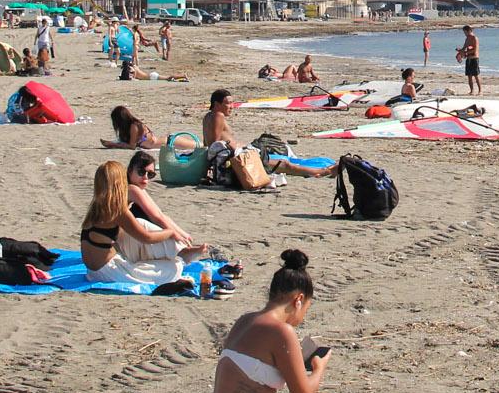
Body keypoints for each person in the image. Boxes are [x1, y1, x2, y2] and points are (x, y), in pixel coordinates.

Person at [208, 250, 429, 393]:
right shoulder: (281, 331)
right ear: (299, 300)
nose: (302, 316)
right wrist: (318, 368)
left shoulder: (245, 321)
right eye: (306, 308)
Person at [79, 161, 204, 290]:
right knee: (174, 268)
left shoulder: (96, 206)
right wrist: (170, 232)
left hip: (93, 271)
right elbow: (146, 238)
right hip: (108, 272)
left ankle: (182, 251)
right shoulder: (118, 211)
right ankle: (181, 252)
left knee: (140, 222)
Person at [205, 89, 332, 177]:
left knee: (281, 162)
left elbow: (208, 142)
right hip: (235, 158)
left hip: (231, 156)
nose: (232, 106)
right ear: (217, 104)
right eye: (228, 103)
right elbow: (215, 145)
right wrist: (235, 148)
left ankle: (319, 171)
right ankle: (321, 172)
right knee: (284, 165)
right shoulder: (218, 116)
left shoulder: (207, 117)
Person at [124, 150, 207, 262]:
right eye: (141, 172)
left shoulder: (137, 189)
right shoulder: (132, 189)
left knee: (151, 219)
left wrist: (182, 234)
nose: (145, 177)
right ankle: (182, 252)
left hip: (128, 237)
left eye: (150, 174)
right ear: (129, 172)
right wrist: (176, 236)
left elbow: (160, 214)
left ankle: (182, 250)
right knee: (144, 220)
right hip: (122, 239)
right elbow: (156, 217)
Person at [455, 25, 482, 97]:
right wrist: (460, 52)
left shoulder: (474, 38)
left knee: (476, 75)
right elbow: (464, 48)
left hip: (474, 58)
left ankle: (480, 91)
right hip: (468, 58)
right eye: (464, 32)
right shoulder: (467, 38)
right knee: (469, 76)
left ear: (469, 31)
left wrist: (465, 53)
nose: (465, 34)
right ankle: (472, 91)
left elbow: (475, 50)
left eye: (465, 32)